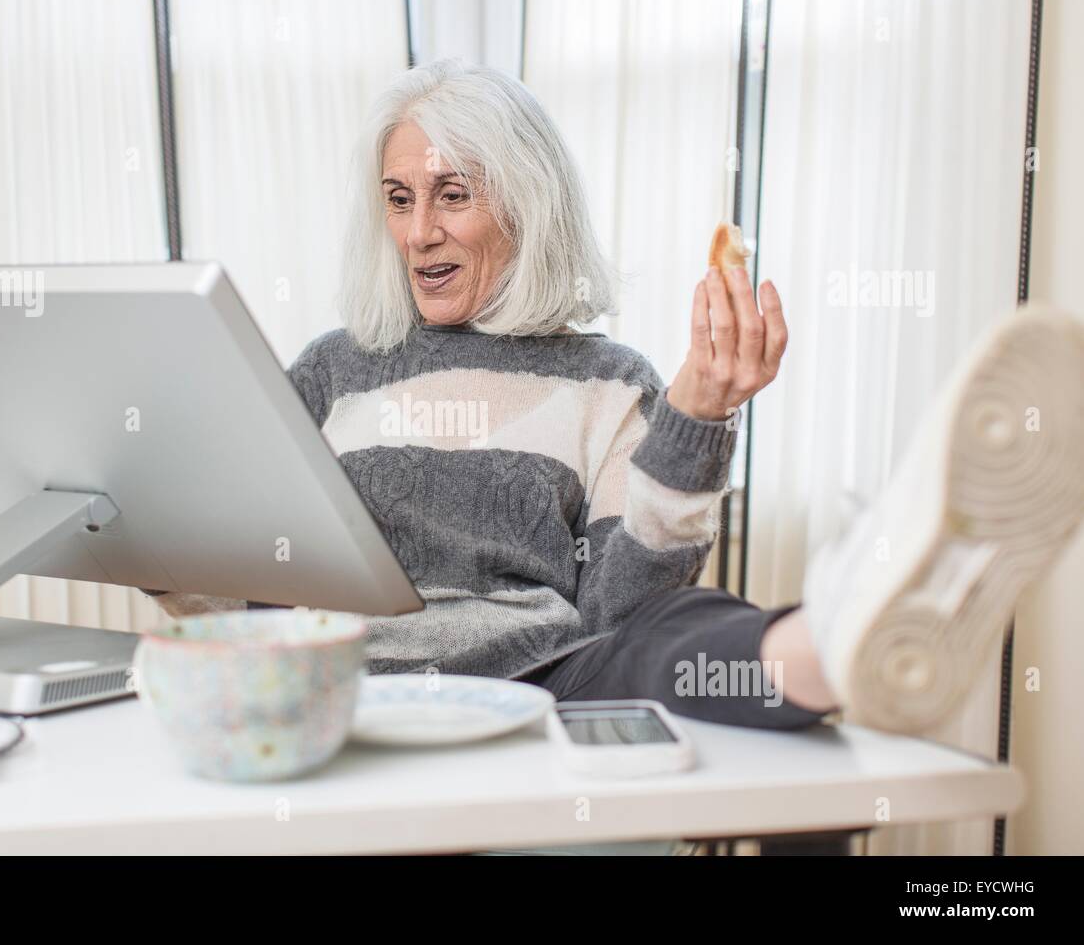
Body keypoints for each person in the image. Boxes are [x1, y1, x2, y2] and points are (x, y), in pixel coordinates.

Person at [150, 59, 1084, 735]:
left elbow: (620, 608)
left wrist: (699, 412)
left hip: (541, 683)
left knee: (675, 628)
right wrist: (150, 534)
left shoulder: (609, 381)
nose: (419, 230)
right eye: (399, 198)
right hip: (343, 687)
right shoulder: (332, 369)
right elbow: (245, 586)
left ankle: (853, 637)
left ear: (527, 202)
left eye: (452, 194)